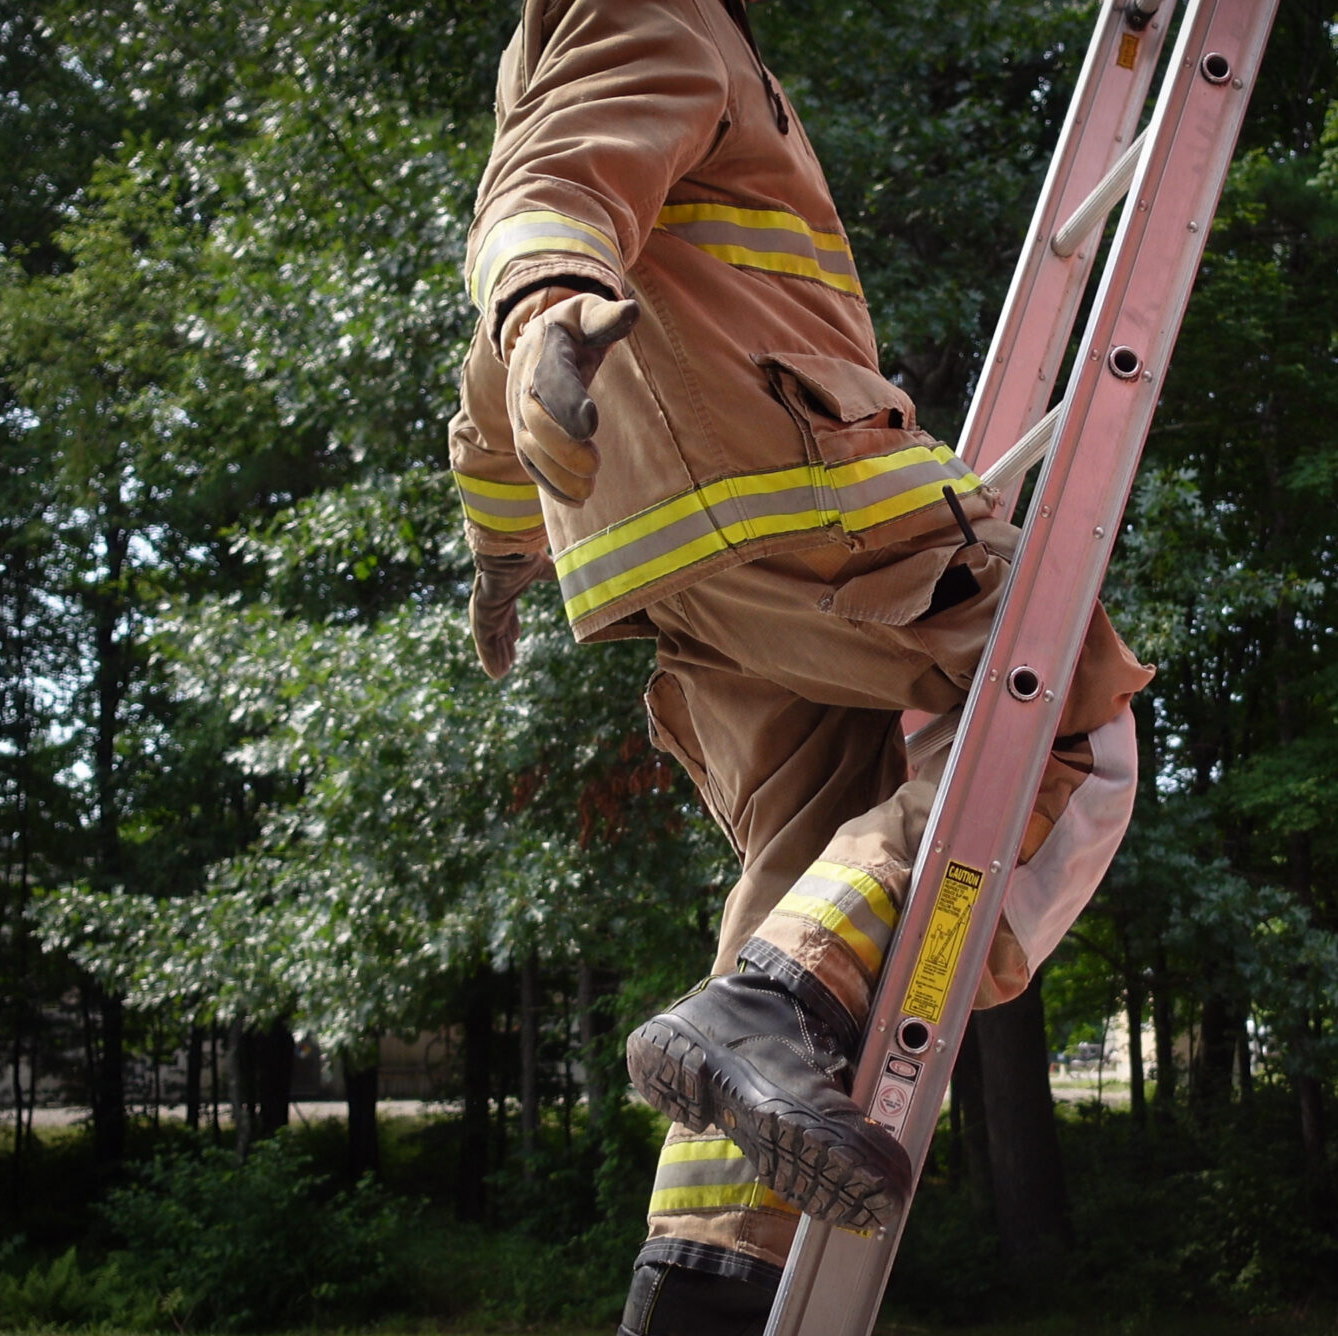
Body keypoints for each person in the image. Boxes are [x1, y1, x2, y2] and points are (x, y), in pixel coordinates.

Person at [447, 2, 1151, 1331]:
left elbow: (490, 374)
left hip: (677, 566)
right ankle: (766, 1004)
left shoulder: (563, 52)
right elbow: (553, 192)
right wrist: (547, 302)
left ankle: (704, 1287)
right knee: (1064, 717)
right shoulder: (654, 9)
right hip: (775, 486)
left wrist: (502, 552)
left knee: (809, 868)